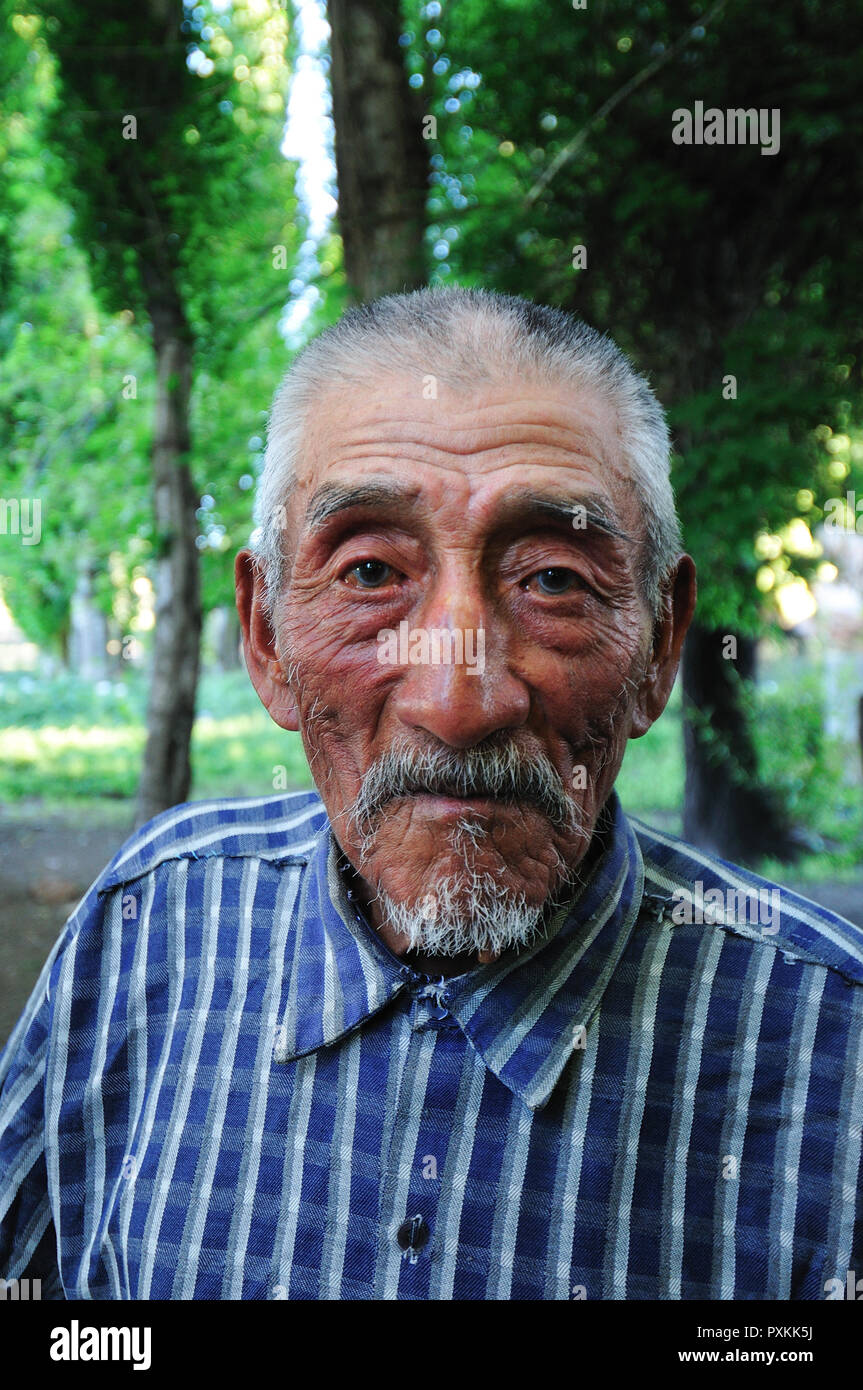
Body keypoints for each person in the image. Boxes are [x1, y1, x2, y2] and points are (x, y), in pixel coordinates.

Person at [1, 288, 860, 1301]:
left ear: (659, 644)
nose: (457, 701)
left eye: (551, 580)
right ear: (267, 636)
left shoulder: (830, 1055)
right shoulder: (148, 928)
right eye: (370, 571)